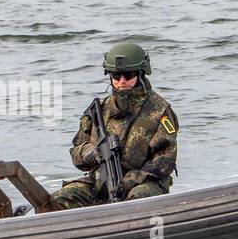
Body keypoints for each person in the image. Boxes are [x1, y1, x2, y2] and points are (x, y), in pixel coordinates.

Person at [49, 41, 179, 209]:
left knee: (137, 199)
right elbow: (77, 151)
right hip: (100, 181)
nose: (122, 81)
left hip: (146, 182)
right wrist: (89, 152)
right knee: (59, 199)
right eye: (116, 76)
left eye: (129, 74)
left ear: (141, 74)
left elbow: (164, 161)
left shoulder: (159, 111)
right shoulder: (100, 110)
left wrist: (129, 181)